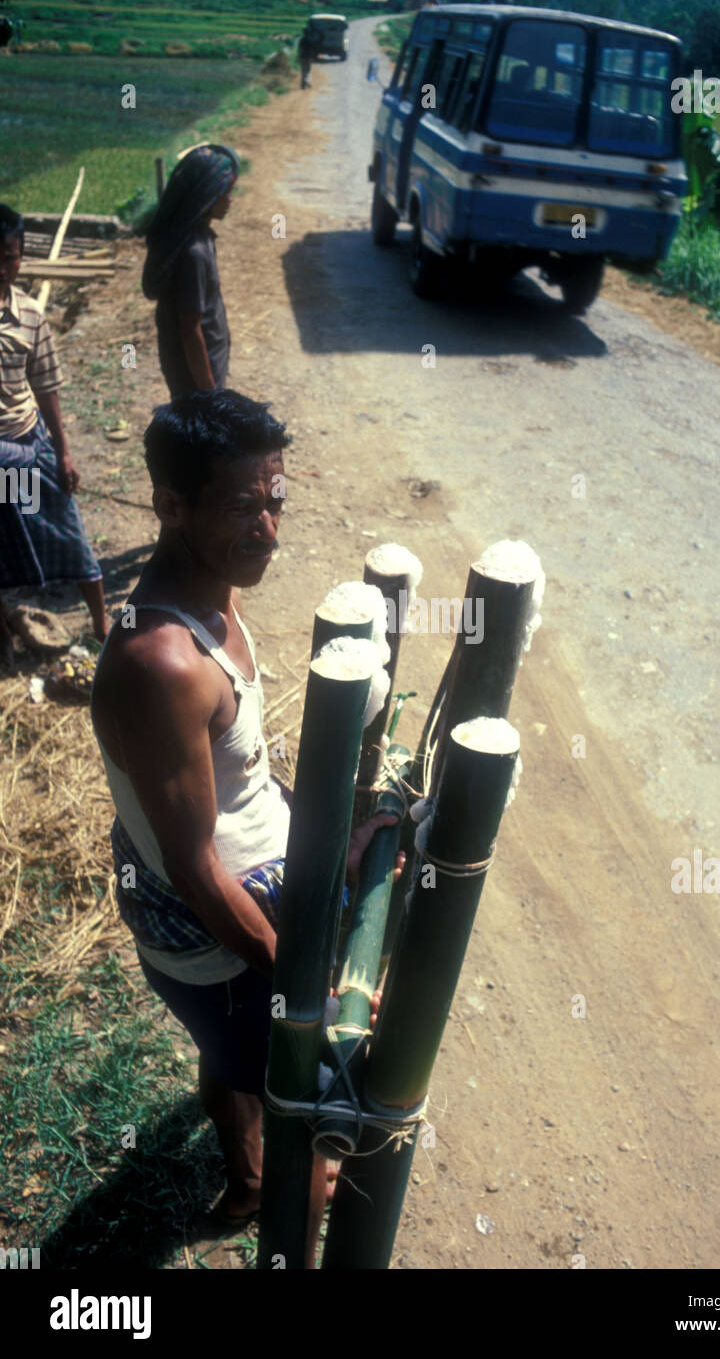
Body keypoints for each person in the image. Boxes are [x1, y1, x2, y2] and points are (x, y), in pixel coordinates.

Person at [90, 389, 401, 1258]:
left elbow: (241, 782)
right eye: (241, 505)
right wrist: (297, 976)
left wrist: (323, 838)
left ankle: (246, 1181)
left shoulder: (211, 590)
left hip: (240, 898)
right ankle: (280, 1210)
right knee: (293, 1104)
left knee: (229, 1060)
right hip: (217, 934)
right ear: (170, 505)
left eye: (276, 500)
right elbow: (194, 868)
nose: (267, 526)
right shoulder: (162, 663)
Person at [0, 204, 108, 669]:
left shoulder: (29, 316)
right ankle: (4, 639)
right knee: (3, 544)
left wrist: (63, 453)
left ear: (21, 257)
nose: (4, 265)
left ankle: (104, 626)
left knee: (67, 532)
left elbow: (46, 388)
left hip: (28, 445)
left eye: (12, 255)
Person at [142, 143, 239, 398]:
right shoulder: (193, 254)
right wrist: (209, 392)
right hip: (196, 380)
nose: (231, 199)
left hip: (198, 368)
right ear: (206, 195)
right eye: (226, 192)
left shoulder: (196, 236)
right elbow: (190, 329)